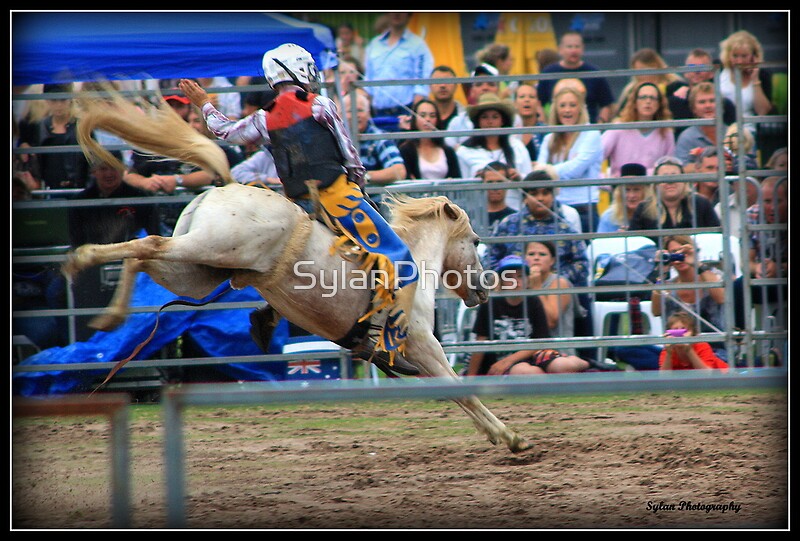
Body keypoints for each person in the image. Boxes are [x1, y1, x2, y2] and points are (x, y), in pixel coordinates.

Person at [179, 43, 419, 375]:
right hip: (339, 199)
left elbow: (224, 131)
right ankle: (381, 339)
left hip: (297, 206)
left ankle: (272, 307)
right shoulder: (321, 105)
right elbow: (350, 154)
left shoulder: (264, 117)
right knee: (401, 259)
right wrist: (359, 187)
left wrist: (204, 103)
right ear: (299, 71)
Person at [536, 84, 603, 233]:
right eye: (562, 105)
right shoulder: (549, 138)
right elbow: (539, 176)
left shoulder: (591, 133)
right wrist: (544, 171)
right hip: (555, 209)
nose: (567, 110)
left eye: (572, 105)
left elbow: (576, 169)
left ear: (580, 108)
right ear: (556, 109)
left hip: (584, 209)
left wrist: (547, 169)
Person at [651, 235, 727, 361]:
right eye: (673, 254)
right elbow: (656, 311)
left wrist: (696, 262)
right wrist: (661, 272)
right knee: (627, 350)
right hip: (675, 352)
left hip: (713, 350)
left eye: (683, 252)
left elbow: (721, 298)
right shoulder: (667, 285)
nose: (679, 258)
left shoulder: (711, 276)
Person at [68, 151, 162, 247]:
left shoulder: (140, 199)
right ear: (94, 171)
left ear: (122, 170)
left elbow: (154, 237)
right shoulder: (80, 202)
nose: (109, 174)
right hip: (94, 257)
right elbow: (77, 243)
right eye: (103, 169)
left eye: (113, 168)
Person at [455, 93, 532, 210]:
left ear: (502, 121)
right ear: (478, 122)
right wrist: (477, 179)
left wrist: (518, 177)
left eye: (495, 117)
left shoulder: (517, 147)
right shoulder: (465, 151)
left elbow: (530, 179)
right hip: (479, 211)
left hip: (515, 210)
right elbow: (462, 183)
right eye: (485, 117)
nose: (490, 121)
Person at [363, 12, 434, 121]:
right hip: (377, 114)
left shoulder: (418, 45)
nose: (396, 14)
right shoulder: (374, 44)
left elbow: (422, 84)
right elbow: (368, 83)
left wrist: (413, 116)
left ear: (409, 15)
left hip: (406, 113)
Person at [21, 82, 92, 190]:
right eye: (53, 100)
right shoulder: (39, 127)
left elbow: (92, 162)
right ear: (46, 100)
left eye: (63, 99)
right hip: (48, 189)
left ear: (70, 99)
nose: (59, 105)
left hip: (79, 190)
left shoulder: (83, 127)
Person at [536, 30, 615, 124]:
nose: (573, 50)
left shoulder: (594, 72)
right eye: (569, 46)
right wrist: (544, 125)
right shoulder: (548, 73)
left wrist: (599, 126)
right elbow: (538, 103)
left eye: (577, 46)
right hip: (557, 131)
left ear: (583, 49)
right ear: (560, 49)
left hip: (588, 129)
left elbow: (607, 104)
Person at [601, 81, 676, 178]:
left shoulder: (666, 133)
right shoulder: (618, 128)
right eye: (643, 97)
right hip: (622, 187)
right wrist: (606, 182)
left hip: (652, 188)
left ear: (659, 104)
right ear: (635, 103)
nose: (648, 101)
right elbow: (595, 156)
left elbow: (670, 167)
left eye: (653, 98)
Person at [524, 239, 585, 357]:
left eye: (542, 254)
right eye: (531, 254)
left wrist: (536, 288)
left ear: (552, 260)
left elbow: (550, 322)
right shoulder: (520, 284)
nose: (536, 258)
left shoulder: (559, 283)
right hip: (526, 351)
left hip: (557, 352)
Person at [629, 155, 720, 233]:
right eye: (664, 177)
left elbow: (716, 237)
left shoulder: (701, 204)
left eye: (674, 176)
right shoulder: (643, 209)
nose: (670, 182)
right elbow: (635, 244)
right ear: (656, 183)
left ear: (684, 181)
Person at [341, 90, 407, 186]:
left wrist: (364, 177)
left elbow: (399, 171)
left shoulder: (380, 138)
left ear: (368, 113)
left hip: (373, 199)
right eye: (351, 111)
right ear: (340, 114)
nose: (356, 115)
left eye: (360, 110)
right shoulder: (334, 137)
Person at [667, 48, 736, 139]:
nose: (697, 71)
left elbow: (734, 133)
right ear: (685, 73)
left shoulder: (725, 103)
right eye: (692, 67)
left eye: (702, 67)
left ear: (711, 73)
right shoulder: (675, 102)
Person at [718, 30, 774, 140]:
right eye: (735, 56)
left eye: (744, 56)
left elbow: (763, 111)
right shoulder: (719, 70)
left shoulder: (763, 75)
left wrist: (755, 79)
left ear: (754, 56)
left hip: (748, 132)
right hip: (721, 128)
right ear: (728, 55)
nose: (739, 61)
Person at [398, 99, 461, 181]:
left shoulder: (448, 151)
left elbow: (456, 179)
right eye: (422, 115)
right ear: (414, 119)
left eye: (432, 116)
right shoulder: (405, 150)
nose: (427, 119)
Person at [613, 48, 683, 116]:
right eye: (636, 72)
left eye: (643, 71)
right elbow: (620, 114)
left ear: (656, 67)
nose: (639, 76)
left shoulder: (675, 85)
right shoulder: (630, 90)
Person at [445, 64, 502, 148]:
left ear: (498, 90)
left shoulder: (512, 119)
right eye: (479, 84)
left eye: (490, 84)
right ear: (472, 91)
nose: (485, 88)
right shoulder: (457, 122)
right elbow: (449, 150)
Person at [674, 82, 728, 167]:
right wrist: (704, 166)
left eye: (712, 101)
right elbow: (681, 169)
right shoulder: (687, 137)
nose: (708, 105)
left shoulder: (734, 133)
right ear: (694, 109)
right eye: (702, 102)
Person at [659, 311, 728, 371]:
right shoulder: (667, 350)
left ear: (693, 333)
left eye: (684, 330)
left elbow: (706, 375)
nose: (680, 334)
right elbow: (664, 379)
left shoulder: (702, 346)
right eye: (675, 330)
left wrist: (689, 350)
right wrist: (669, 354)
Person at [597, 163, 655, 233]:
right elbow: (600, 242)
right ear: (620, 192)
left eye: (636, 189)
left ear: (646, 192)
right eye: (627, 190)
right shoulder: (609, 217)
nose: (631, 195)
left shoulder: (656, 215)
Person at [511, 83, 546, 167]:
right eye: (522, 97)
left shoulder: (546, 132)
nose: (527, 100)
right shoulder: (508, 132)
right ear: (514, 103)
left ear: (538, 103)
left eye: (532, 97)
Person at [478, 161, 516, 227]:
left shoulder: (515, 218)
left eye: (499, 182)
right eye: (490, 182)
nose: (494, 188)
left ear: (508, 184)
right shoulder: (473, 217)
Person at [428, 65, 467, 130]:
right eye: (437, 81)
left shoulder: (465, 117)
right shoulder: (422, 118)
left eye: (448, 81)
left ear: (456, 85)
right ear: (430, 86)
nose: (442, 85)